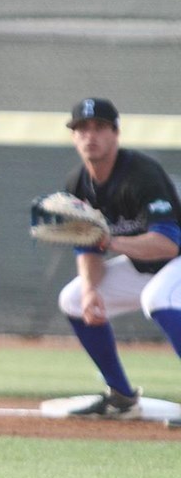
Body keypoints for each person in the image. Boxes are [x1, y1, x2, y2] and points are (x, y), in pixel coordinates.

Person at [50, 97, 181, 420]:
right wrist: (92, 289)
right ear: (73, 136)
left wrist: (112, 240)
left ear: (116, 133)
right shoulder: (76, 184)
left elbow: (168, 245)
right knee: (74, 298)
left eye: (99, 127)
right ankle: (121, 397)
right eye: (81, 128)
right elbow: (87, 247)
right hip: (148, 268)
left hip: (173, 262)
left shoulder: (141, 173)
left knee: (158, 297)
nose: (90, 135)